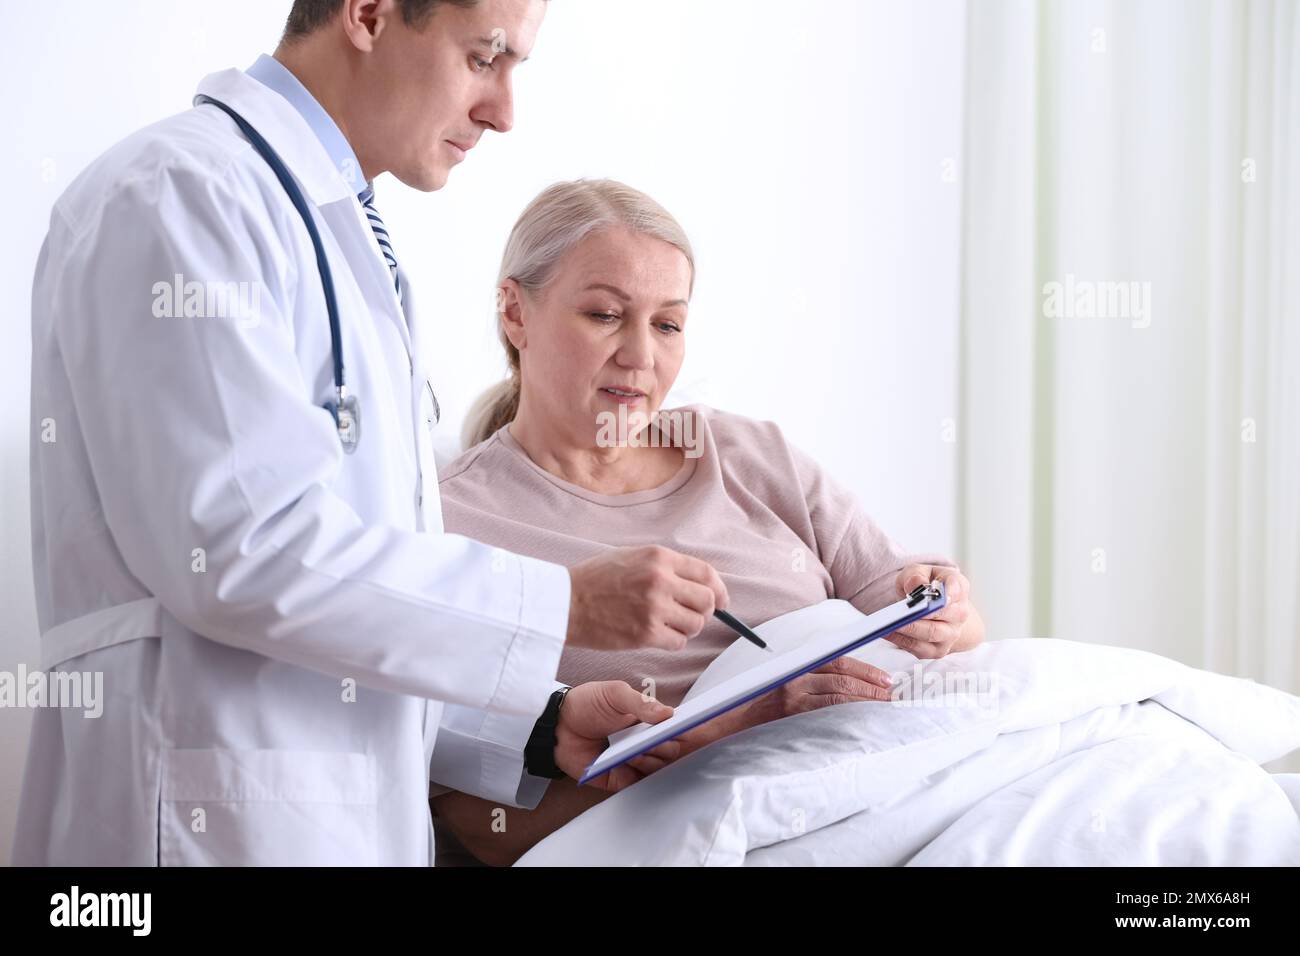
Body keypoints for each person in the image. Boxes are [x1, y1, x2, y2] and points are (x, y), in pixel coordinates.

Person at [15, 0, 724, 866]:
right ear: (369, 13)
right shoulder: (182, 194)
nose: (504, 111)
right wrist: (564, 601)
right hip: (200, 825)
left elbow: (351, 614)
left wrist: (537, 729)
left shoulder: (338, 231)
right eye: (485, 57)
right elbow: (242, 556)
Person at [430, 179, 986, 864]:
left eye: (667, 324)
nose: (641, 355)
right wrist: (729, 733)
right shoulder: (448, 522)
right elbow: (473, 822)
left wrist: (940, 606)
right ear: (515, 313)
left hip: (915, 793)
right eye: (605, 314)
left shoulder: (750, 455)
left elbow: (946, 634)